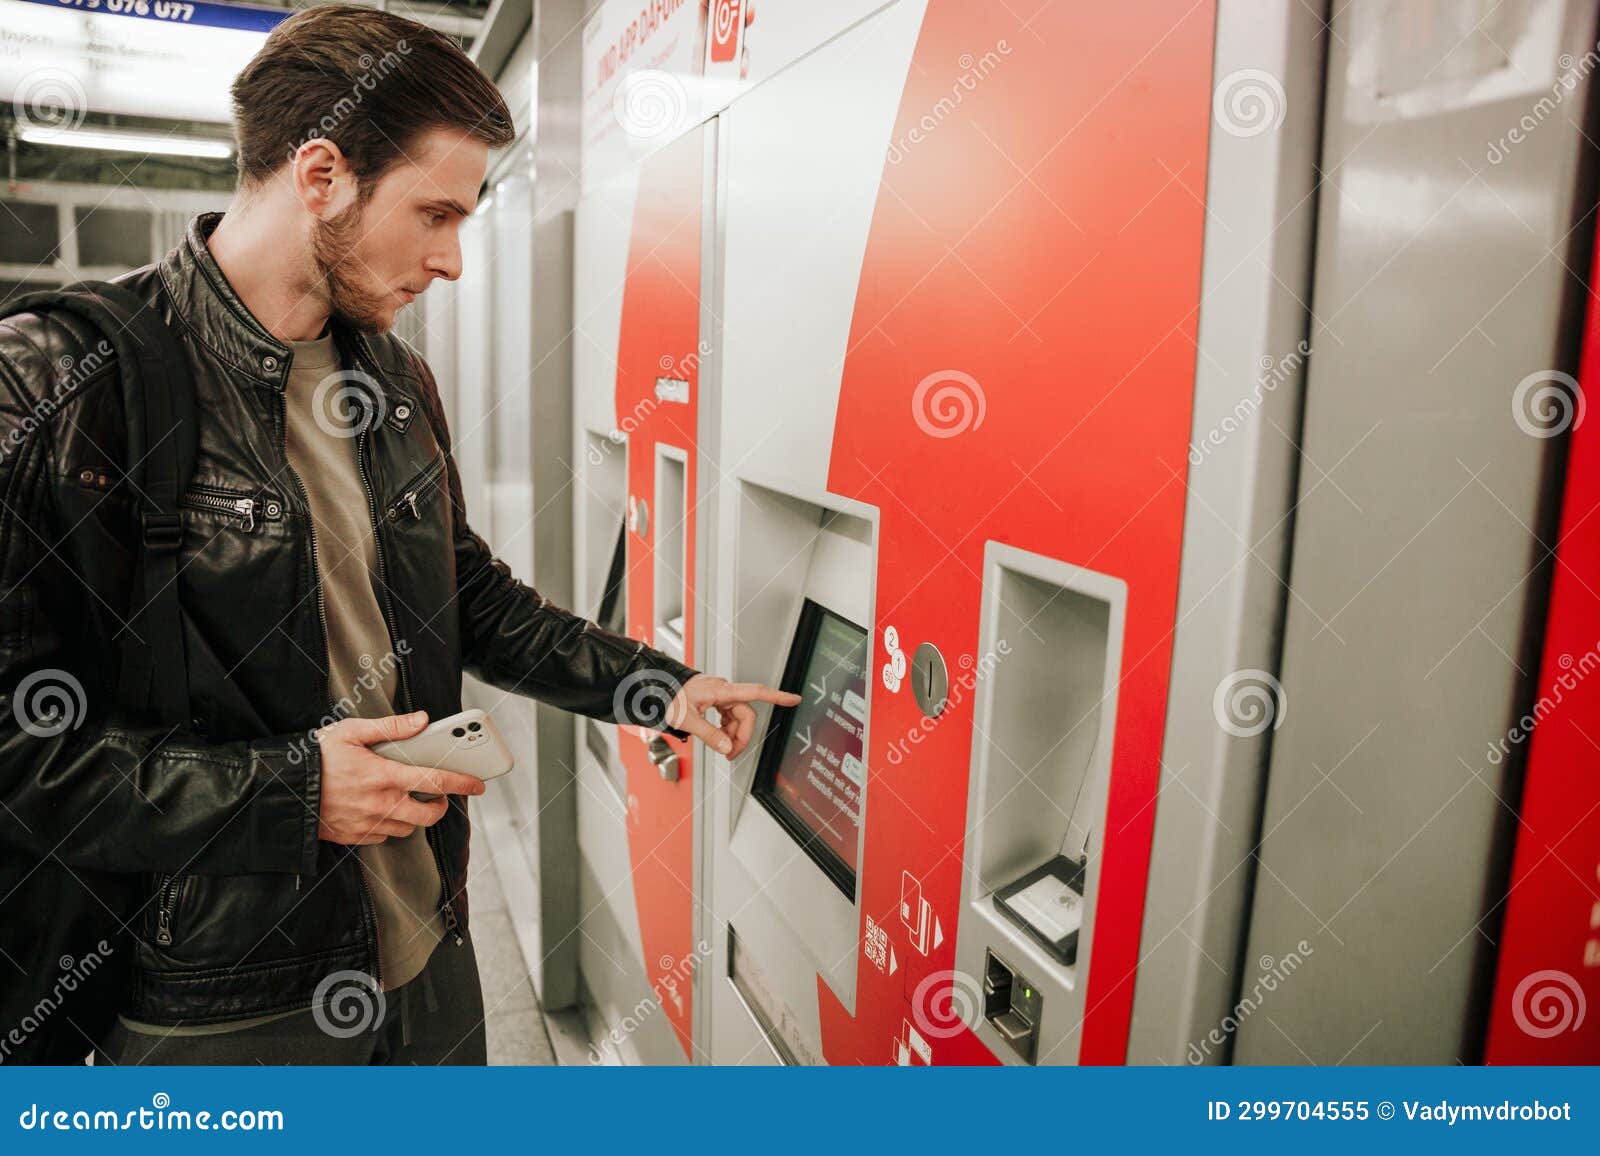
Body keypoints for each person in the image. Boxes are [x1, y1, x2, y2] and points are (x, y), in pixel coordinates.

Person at [0, 5, 795, 1065]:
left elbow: (466, 595)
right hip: (221, 996)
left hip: (422, 939)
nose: (454, 261)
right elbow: (18, 749)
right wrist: (291, 792)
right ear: (320, 174)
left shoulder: (391, 379)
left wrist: (652, 684)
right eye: (435, 215)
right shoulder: (60, 383)